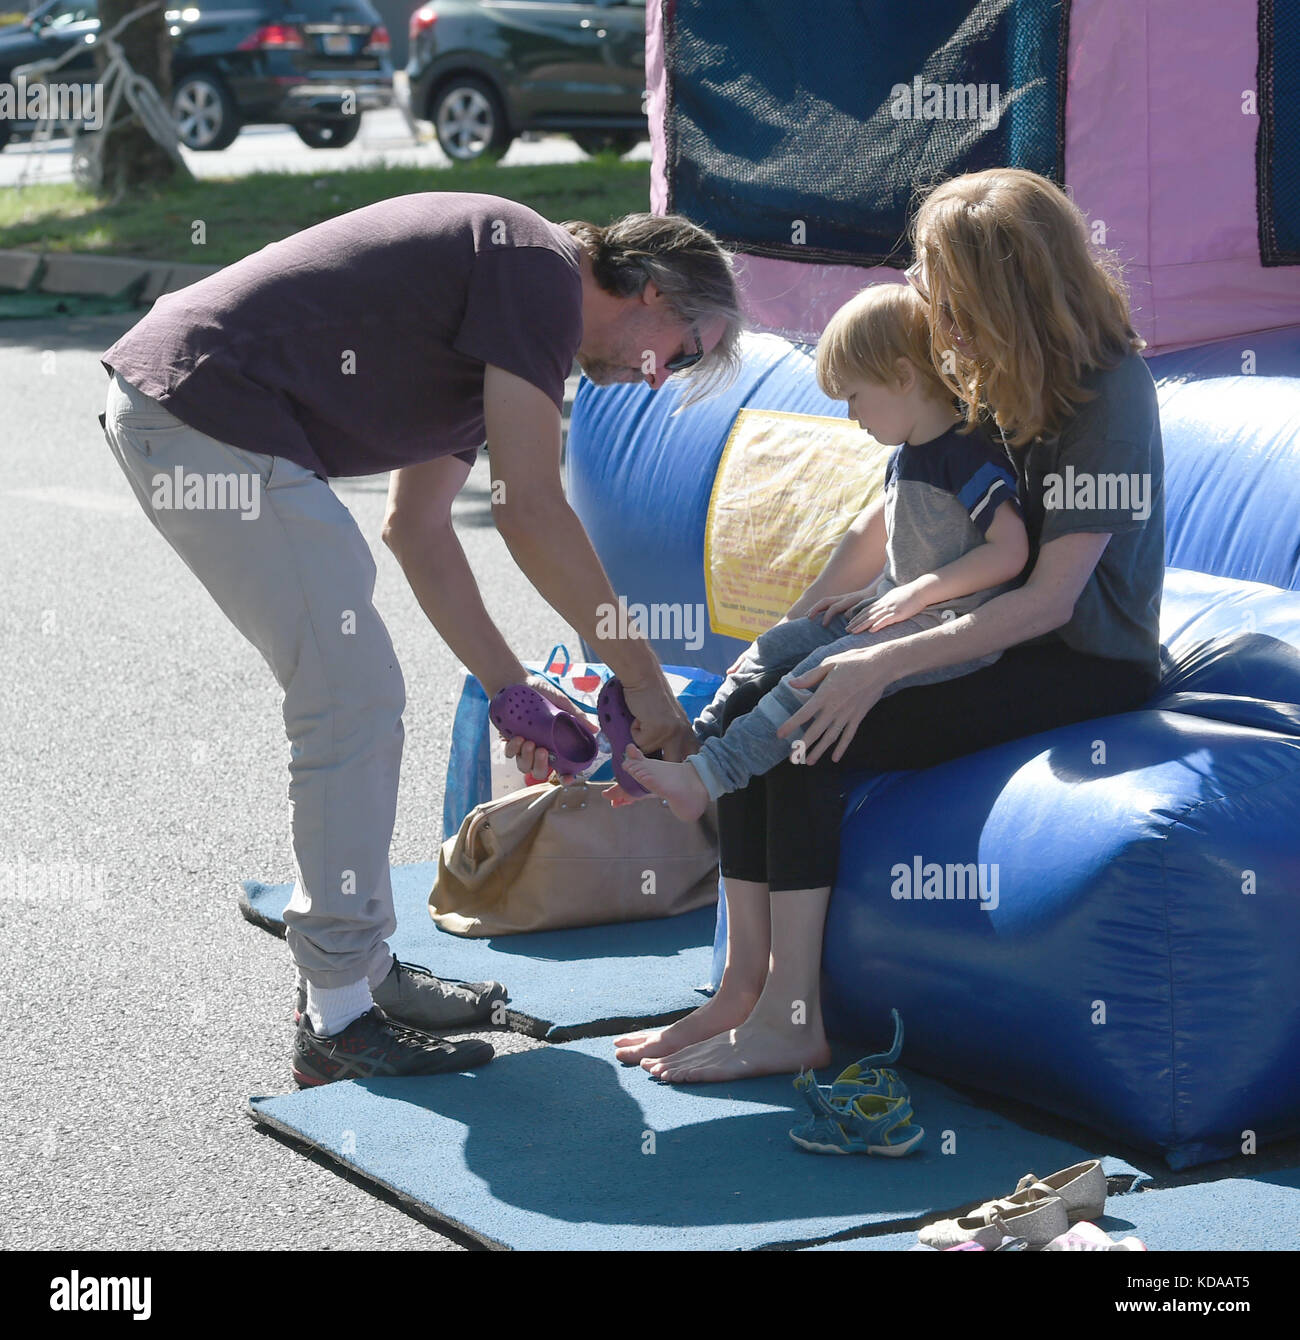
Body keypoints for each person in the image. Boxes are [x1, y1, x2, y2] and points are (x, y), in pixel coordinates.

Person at [98, 194, 742, 1085]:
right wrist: (646, 686)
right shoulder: (538, 271)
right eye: (686, 348)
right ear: (650, 289)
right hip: (205, 415)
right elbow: (529, 510)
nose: (662, 377)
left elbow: (420, 529)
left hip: (196, 414)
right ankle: (337, 1019)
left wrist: (515, 692)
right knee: (349, 701)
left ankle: (361, 974)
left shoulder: (515, 319)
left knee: (355, 699)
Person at [614, 167, 1164, 1084]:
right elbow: (893, 503)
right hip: (972, 617)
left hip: (1074, 656)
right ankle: (740, 987)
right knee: (778, 695)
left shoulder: (1105, 395)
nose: (933, 315)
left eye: (946, 296)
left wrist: (879, 664)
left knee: (809, 737)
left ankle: (795, 1018)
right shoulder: (985, 365)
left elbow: (1051, 600)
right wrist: (806, 628)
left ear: (1008, 293)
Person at [619, 283, 1027, 822]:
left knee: (815, 671)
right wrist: (873, 591)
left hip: (945, 627)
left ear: (904, 377)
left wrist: (915, 592)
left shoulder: (968, 454)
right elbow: (914, 548)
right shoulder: (906, 456)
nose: (853, 417)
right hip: (893, 607)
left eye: (855, 397)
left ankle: (712, 775)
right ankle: (693, 747)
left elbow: (1010, 552)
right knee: (779, 643)